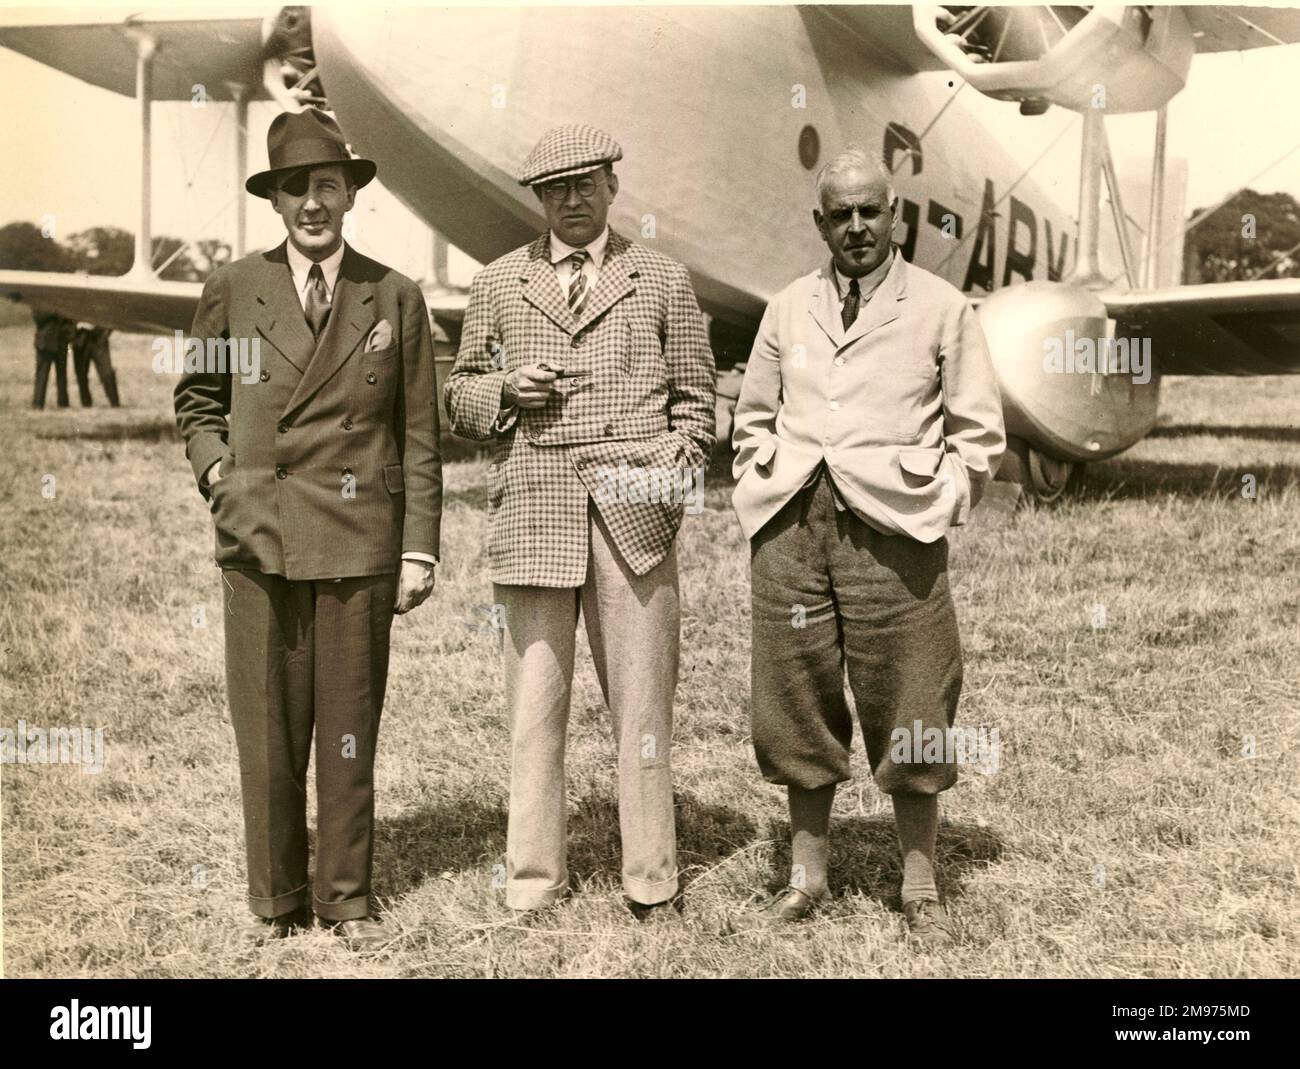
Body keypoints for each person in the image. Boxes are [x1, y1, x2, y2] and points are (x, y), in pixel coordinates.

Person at [173, 108, 442, 951]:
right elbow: (198, 404)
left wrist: (419, 544)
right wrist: (221, 477)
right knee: (267, 730)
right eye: (297, 187)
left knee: (350, 726)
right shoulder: (231, 289)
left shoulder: (394, 293)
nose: (313, 203)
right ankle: (277, 895)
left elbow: (421, 433)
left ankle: (347, 897)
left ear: (350, 195)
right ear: (277, 200)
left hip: (361, 541)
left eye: (328, 184)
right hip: (261, 540)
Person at [730, 148, 1005, 945]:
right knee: (793, 693)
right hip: (793, 525)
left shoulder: (943, 307)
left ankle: (917, 873)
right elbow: (753, 416)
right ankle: (807, 872)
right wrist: (765, 481)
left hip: (897, 531)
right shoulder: (787, 307)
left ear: (894, 216)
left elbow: (979, 435)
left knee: (915, 691)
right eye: (840, 214)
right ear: (821, 223)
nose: (856, 226)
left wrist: (934, 502)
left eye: (870, 211)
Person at [445, 124, 715, 919]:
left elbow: (700, 413)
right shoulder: (498, 283)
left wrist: (660, 480)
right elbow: (458, 396)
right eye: (554, 187)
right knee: (534, 707)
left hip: (634, 516)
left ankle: (652, 879)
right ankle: (532, 883)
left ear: (612, 186)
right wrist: (504, 392)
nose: (571, 199)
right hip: (534, 511)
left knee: (642, 705)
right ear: (535, 197)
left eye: (585, 182)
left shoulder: (662, 278)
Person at [72, 323, 121, 407]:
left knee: (107, 372)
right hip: (80, 337)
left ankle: (114, 402)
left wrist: (106, 331)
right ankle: (86, 403)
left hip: (99, 338)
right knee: (81, 373)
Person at [32, 311, 73, 409]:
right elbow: (38, 318)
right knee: (42, 375)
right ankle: (38, 404)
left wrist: (70, 334)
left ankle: (63, 404)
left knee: (62, 375)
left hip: (61, 341)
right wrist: (55, 310)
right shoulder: (42, 299)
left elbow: (70, 319)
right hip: (45, 343)